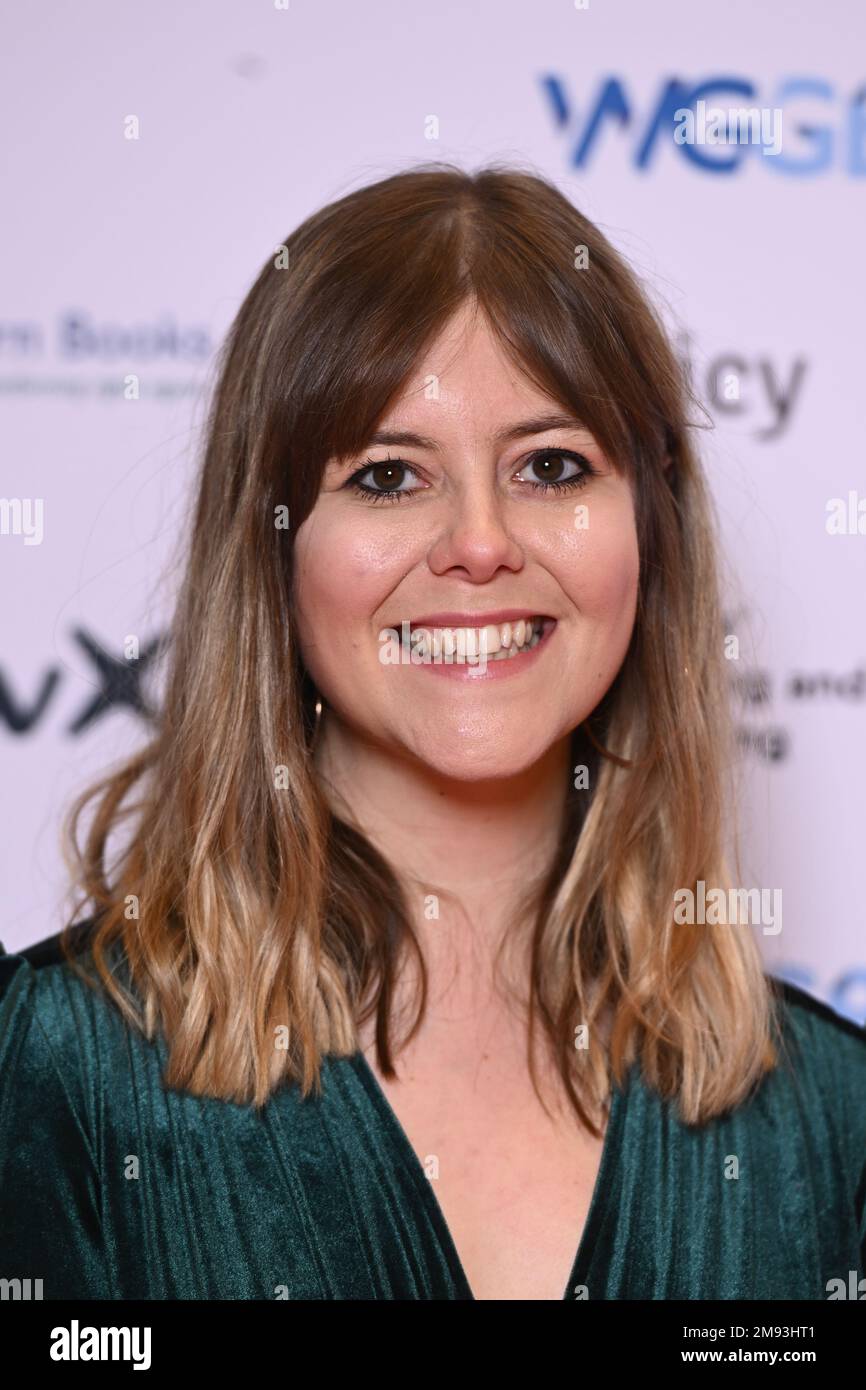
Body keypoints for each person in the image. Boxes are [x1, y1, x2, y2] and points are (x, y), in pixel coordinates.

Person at [1, 163, 863, 1302]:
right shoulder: (58, 1070)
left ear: (647, 530)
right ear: (272, 549)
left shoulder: (827, 1113)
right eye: (389, 475)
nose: (478, 543)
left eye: (551, 466)